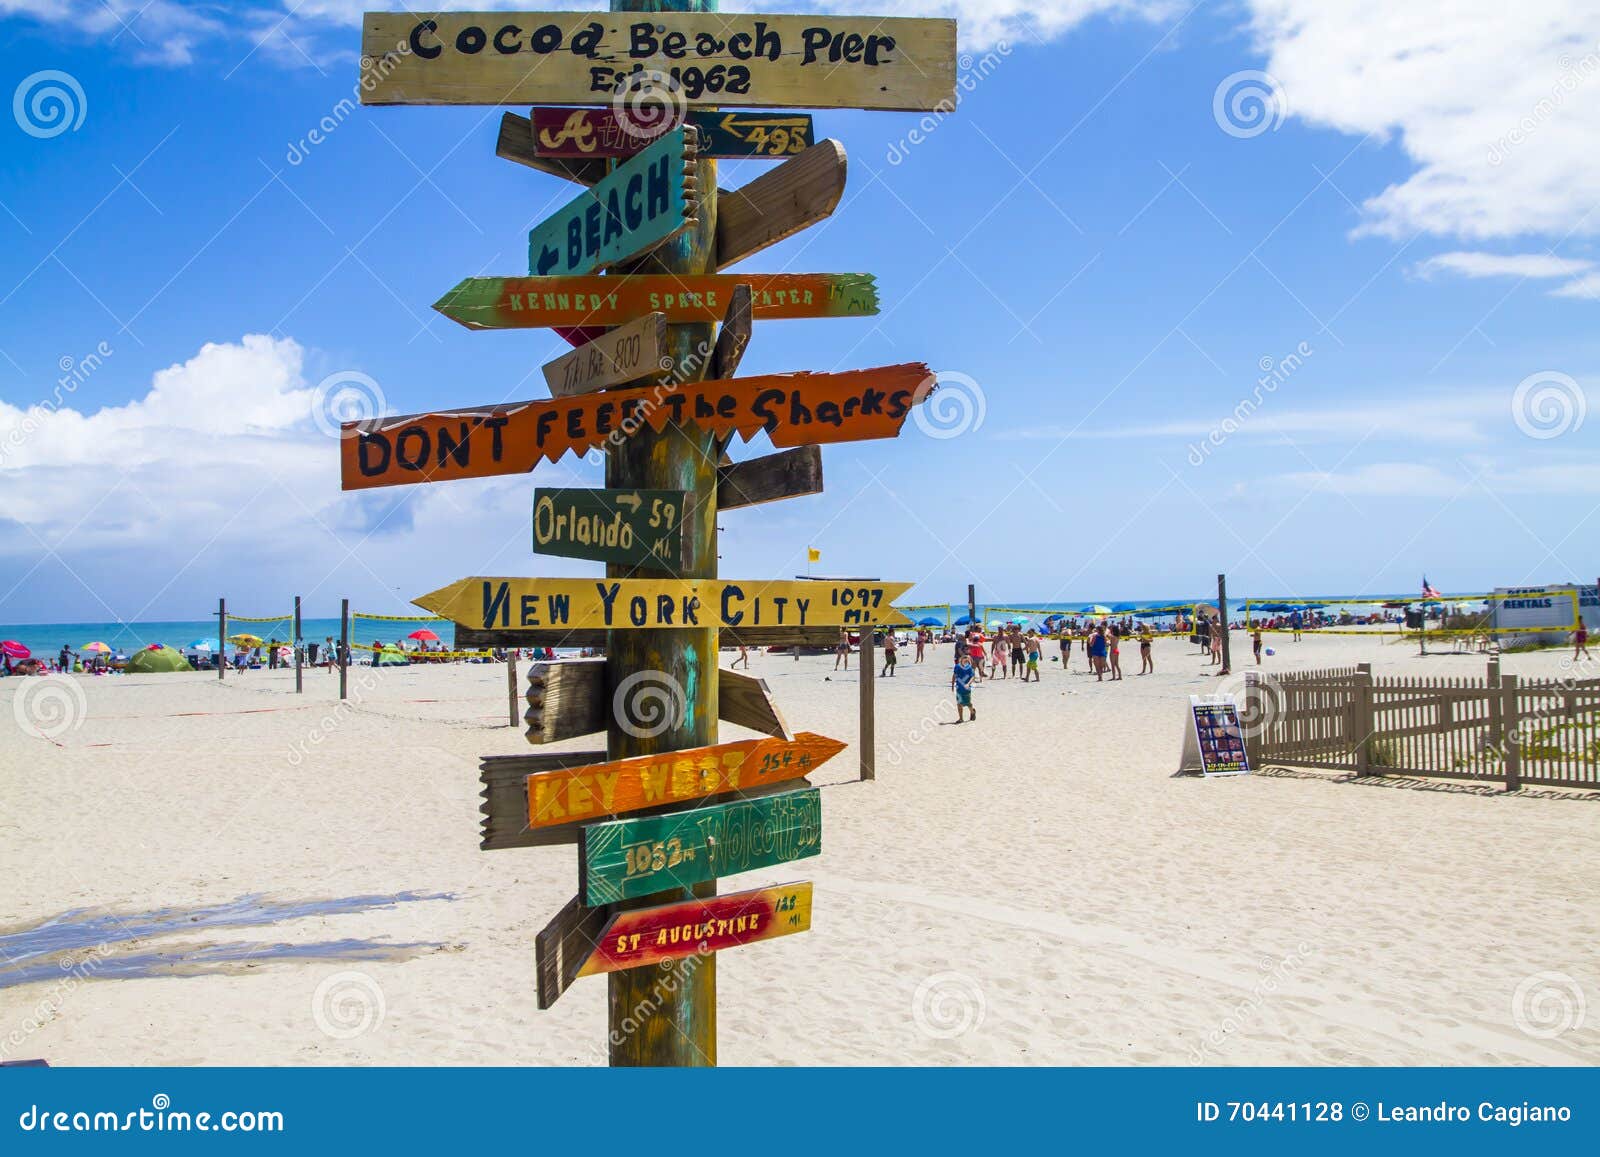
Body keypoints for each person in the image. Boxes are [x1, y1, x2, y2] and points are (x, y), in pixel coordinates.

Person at [951, 653, 977, 722]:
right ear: (961, 659)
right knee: (959, 703)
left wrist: (968, 684)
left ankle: (972, 712)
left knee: (968, 703)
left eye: (967, 660)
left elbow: (972, 677)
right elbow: (954, 675)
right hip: (959, 688)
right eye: (964, 659)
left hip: (967, 689)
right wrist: (952, 686)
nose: (966, 661)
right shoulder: (957, 666)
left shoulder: (970, 668)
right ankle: (961, 718)